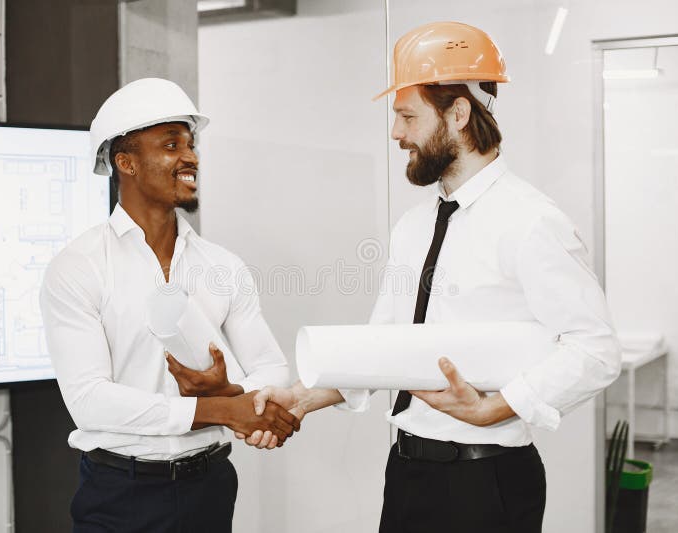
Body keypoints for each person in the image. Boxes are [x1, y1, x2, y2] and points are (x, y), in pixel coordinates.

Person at [234, 21, 621, 533]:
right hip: (408, 472)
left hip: (487, 482)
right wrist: (302, 398)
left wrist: (497, 408)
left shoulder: (531, 221)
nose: (396, 133)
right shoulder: (414, 226)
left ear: (458, 114)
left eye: (407, 116)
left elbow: (595, 348)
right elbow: (387, 346)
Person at [39, 78, 300, 533]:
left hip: (210, 486)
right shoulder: (78, 267)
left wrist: (227, 394)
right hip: (119, 493)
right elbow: (90, 402)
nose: (191, 157)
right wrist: (220, 410)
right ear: (126, 162)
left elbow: (270, 368)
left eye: (192, 144)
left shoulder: (223, 265)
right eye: (171, 144)